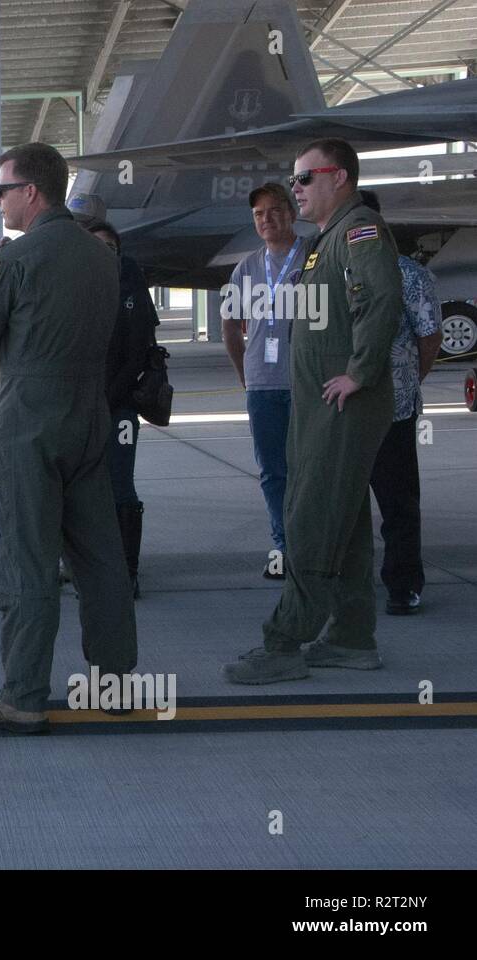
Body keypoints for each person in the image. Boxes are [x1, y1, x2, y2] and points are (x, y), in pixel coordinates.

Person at [0, 143, 137, 733]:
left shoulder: (15, 257)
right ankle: (114, 684)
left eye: (4, 189)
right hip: (90, 414)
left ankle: (24, 695)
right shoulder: (102, 257)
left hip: (30, 418)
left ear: (31, 192)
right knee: (100, 558)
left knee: (28, 557)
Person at [224, 138, 402, 684]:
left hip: (342, 403)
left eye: (303, 179)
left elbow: (379, 298)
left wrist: (361, 371)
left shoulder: (358, 230)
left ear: (339, 178)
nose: (295, 188)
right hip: (319, 403)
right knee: (342, 523)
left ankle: (284, 642)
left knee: (310, 518)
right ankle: (351, 638)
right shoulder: (330, 238)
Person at [221, 182, 313, 579]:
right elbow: (229, 324)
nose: (267, 219)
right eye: (259, 214)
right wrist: (246, 373)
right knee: (273, 471)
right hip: (264, 384)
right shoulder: (248, 267)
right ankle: (284, 548)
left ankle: (315, 547)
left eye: (275, 210)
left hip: (308, 383)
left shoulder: (313, 255)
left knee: (311, 469)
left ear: (292, 213)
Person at [361, 191, 443, 615]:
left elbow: (430, 337)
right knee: (338, 506)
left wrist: (408, 380)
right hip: (338, 412)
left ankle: (403, 585)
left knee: (398, 505)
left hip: (393, 411)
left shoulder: (410, 276)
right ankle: (341, 588)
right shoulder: (322, 275)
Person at [86, 221, 160, 598]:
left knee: (119, 486)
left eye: (111, 248)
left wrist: (109, 400)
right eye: (96, 247)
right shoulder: (74, 292)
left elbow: (137, 354)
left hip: (119, 409)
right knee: (82, 491)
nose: (105, 253)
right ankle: (90, 569)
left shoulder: (130, 292)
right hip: (80, 408)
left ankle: (127, 571)